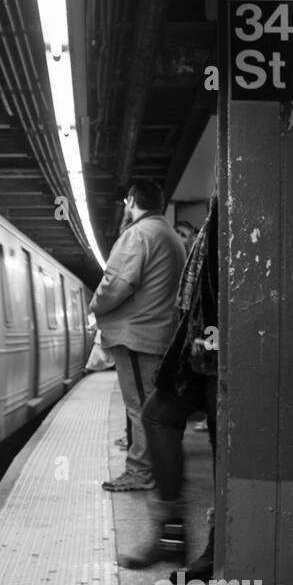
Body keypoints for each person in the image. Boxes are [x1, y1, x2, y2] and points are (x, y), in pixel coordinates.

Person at [118, 195, 218, 571]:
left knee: (223, 444)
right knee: (156, 415)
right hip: (197, 340)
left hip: (219, 341)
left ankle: (216, 545)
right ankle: (171, 536)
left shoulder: (143, 233)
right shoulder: (218, 203)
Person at [91, 180, 186, 492]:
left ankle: (141, 471)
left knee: (141, 408)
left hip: (137, 335)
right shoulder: (168, 233)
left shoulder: (138, 234)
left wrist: (95, 305)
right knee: (154, 404)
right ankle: (155, 467)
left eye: (126, 202)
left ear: (131, 200)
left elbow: (117, 283)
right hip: (157, 331)